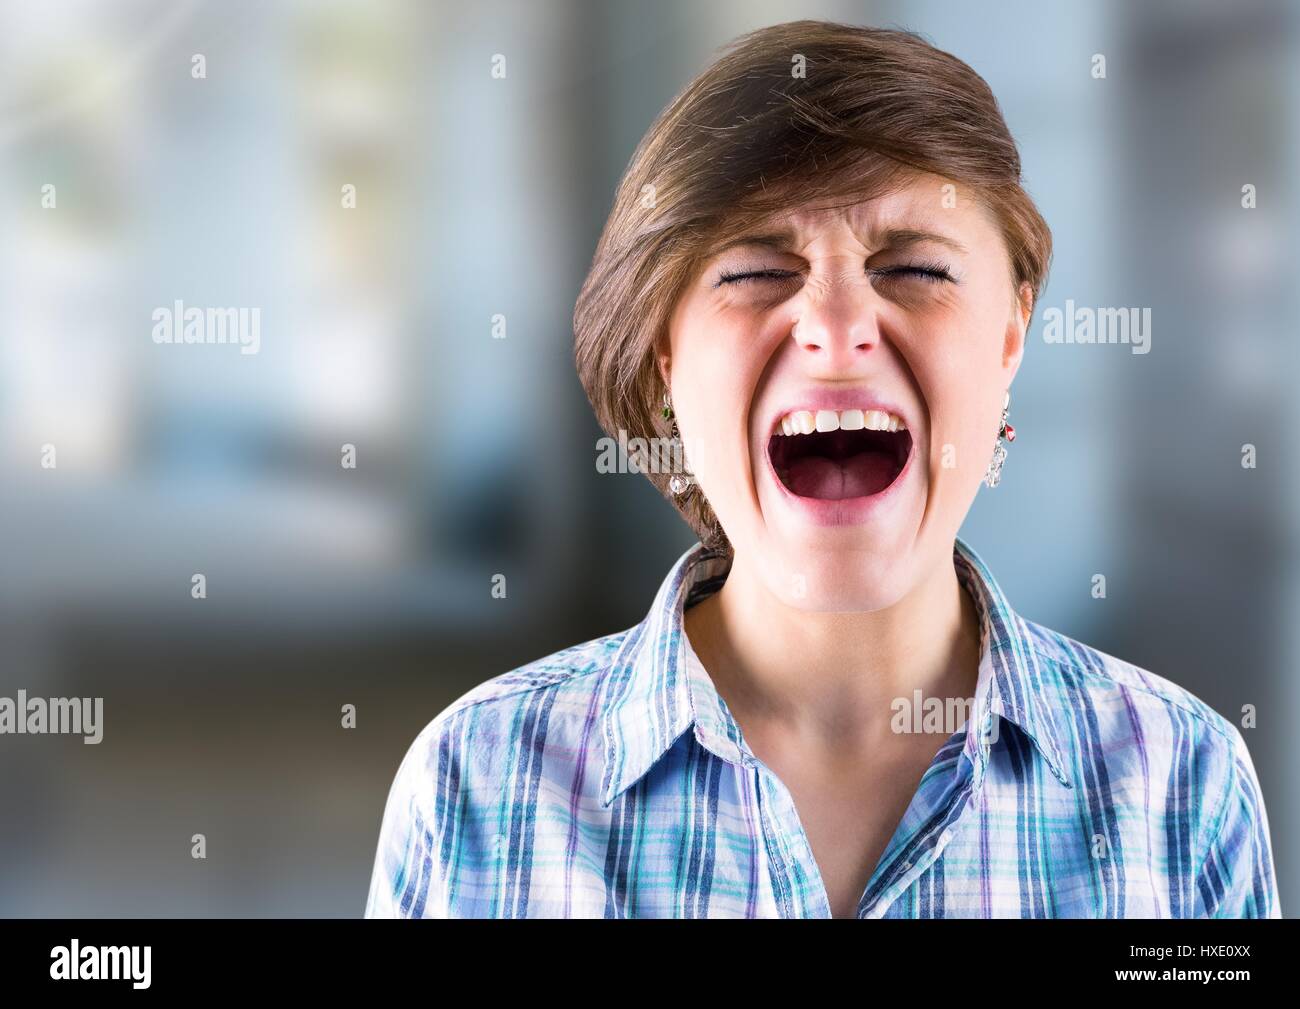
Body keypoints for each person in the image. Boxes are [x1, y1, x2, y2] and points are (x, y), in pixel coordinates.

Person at [365, 19, 1280, 918]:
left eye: (916, 266)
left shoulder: (1182, 785)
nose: (839, 333)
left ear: (1011, 335)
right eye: (755, 271)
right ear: (666, 359)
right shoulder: (476, 790)